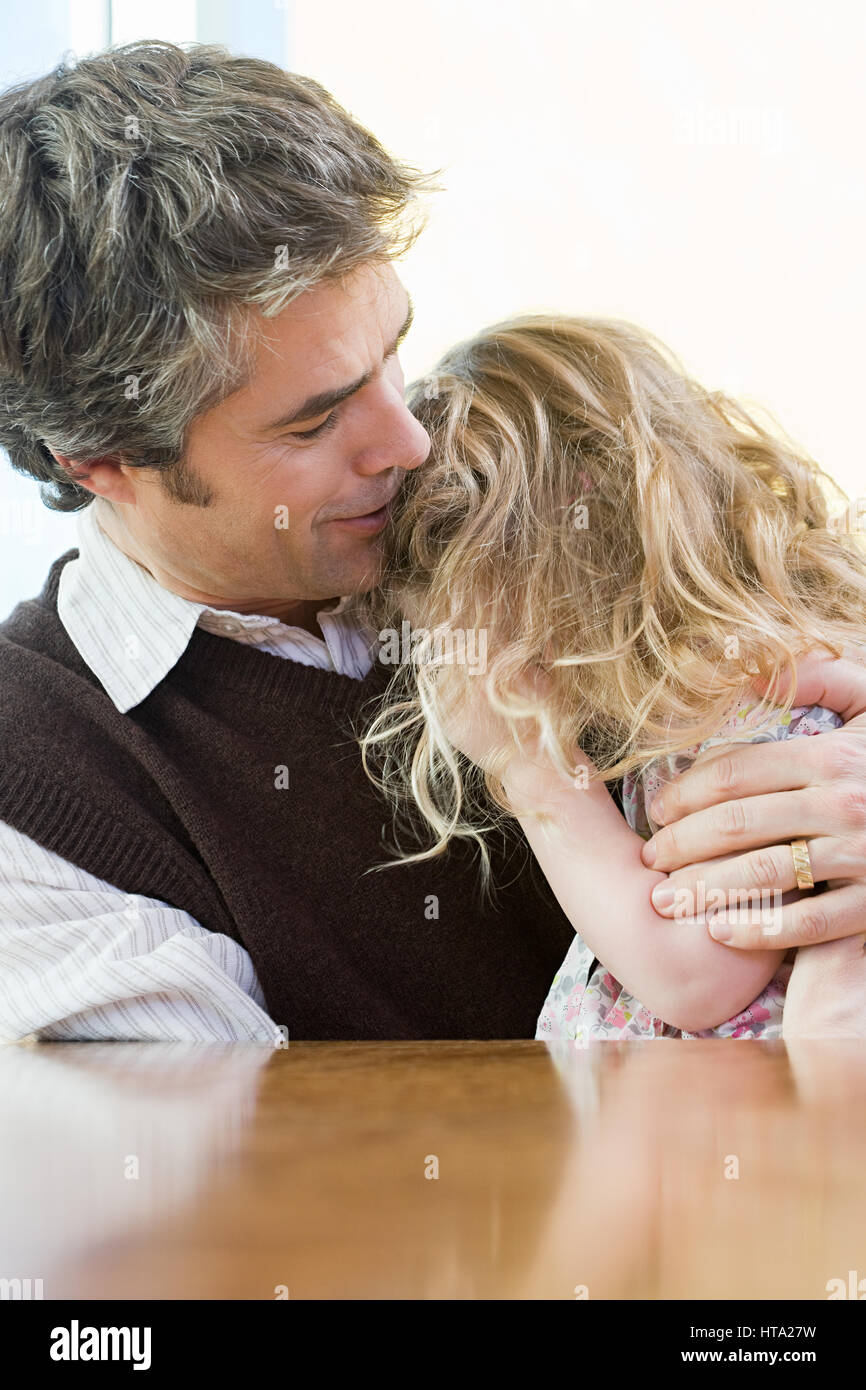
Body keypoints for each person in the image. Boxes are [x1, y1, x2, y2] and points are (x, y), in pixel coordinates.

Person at [1, 43, 864, 1043]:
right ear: (102, 459)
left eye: (389, 349)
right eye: (313, 421)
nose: (407, 440)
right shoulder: (41, 789)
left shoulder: (528, 510)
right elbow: (247, 1179)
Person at [360, 314, 866, 1039]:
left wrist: (528, 766)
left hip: (751, 1128)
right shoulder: (688, 692)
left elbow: (698, 973)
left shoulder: (757, 685)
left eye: (481, 632)